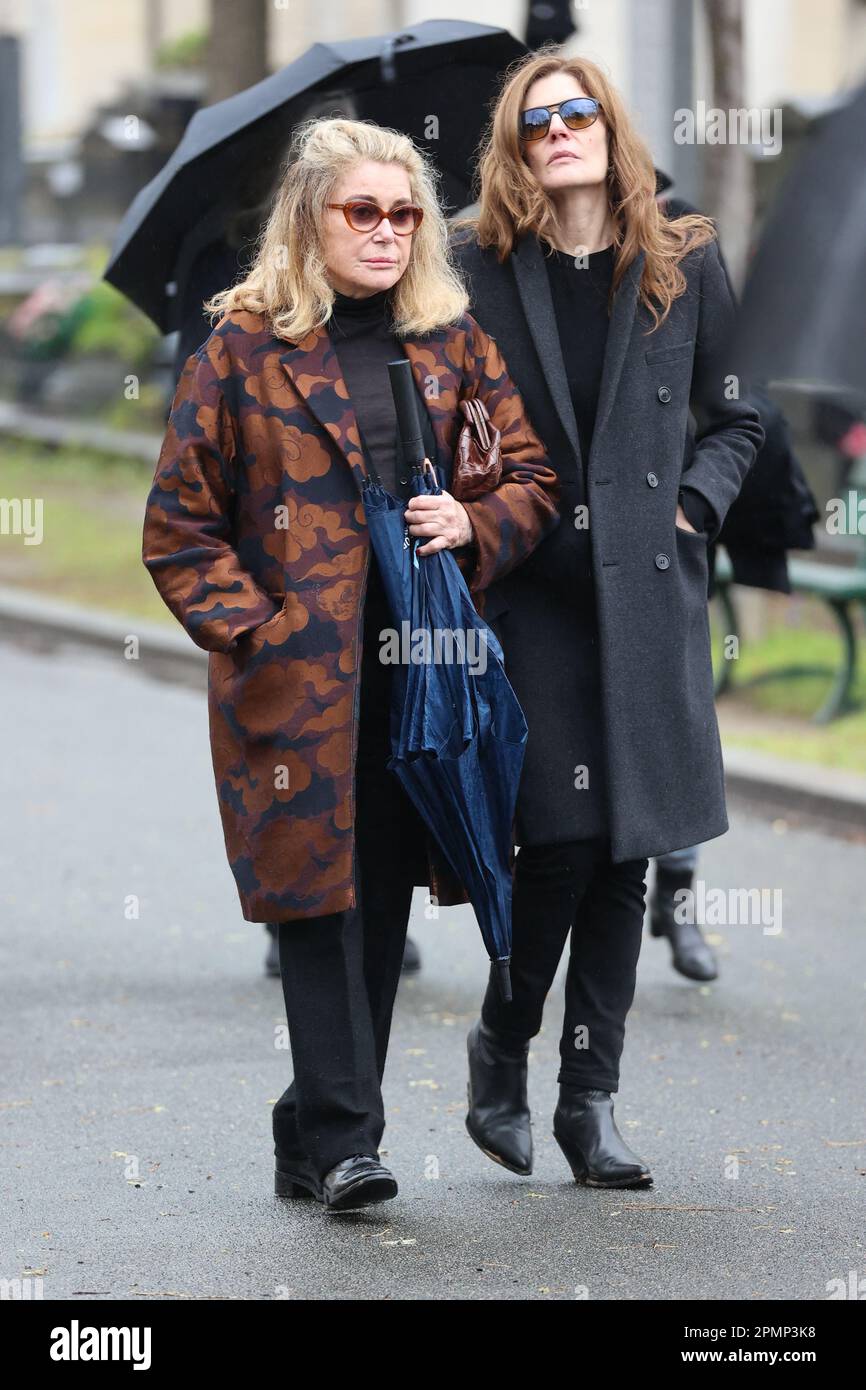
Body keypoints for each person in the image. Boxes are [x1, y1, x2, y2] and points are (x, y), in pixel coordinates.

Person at [142, 116, 559, 1212]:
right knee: (313, 900)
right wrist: (258, 629)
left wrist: (472, 525)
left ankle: (310, 1125)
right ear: (309, 219)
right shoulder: (238, 347)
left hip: (422, 664)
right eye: (361, 211)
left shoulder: (449, 341)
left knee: (376, 892)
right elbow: (179, 530)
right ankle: (345, 1141)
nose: (386, 231)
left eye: (405, 212)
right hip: (301, 681)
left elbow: (525, 476)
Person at [450, 49, 763, 1188]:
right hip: (528, 593)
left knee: (625, 851)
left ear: (609, 126)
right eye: (539, 124)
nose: (562, 133)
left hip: (643, 593)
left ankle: (589, 1101)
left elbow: (740, 416)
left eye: (578, 113)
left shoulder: (680, 256)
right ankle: (501, 1039)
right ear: (517, 149)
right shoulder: (473, 260)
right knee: (561, 842)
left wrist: (690, 507)